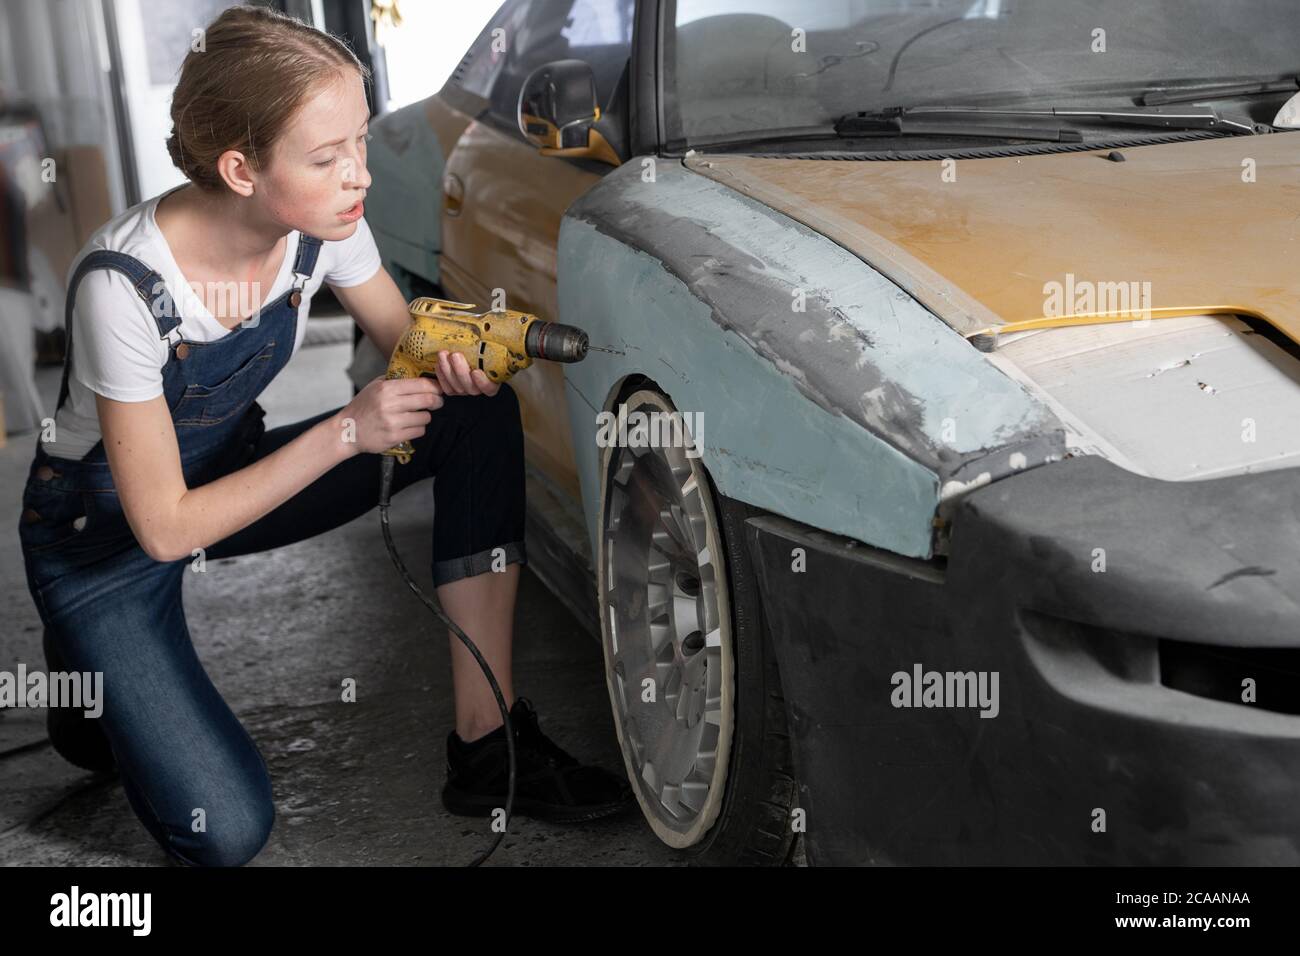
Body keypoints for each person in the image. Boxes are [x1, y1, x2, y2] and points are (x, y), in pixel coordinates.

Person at [15, 5, 631, 867]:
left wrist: (456, 356)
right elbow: (165, 528)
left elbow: (405, 344)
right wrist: (349, 428)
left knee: (475, 413)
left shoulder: (324, 226)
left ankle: (487, 747)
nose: (360, 177)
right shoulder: (122, 287)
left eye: (362, 143)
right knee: (225, 833)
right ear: (240, 168)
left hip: (237, 474)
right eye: (327, 157)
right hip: (110, 538)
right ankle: (86, 666)